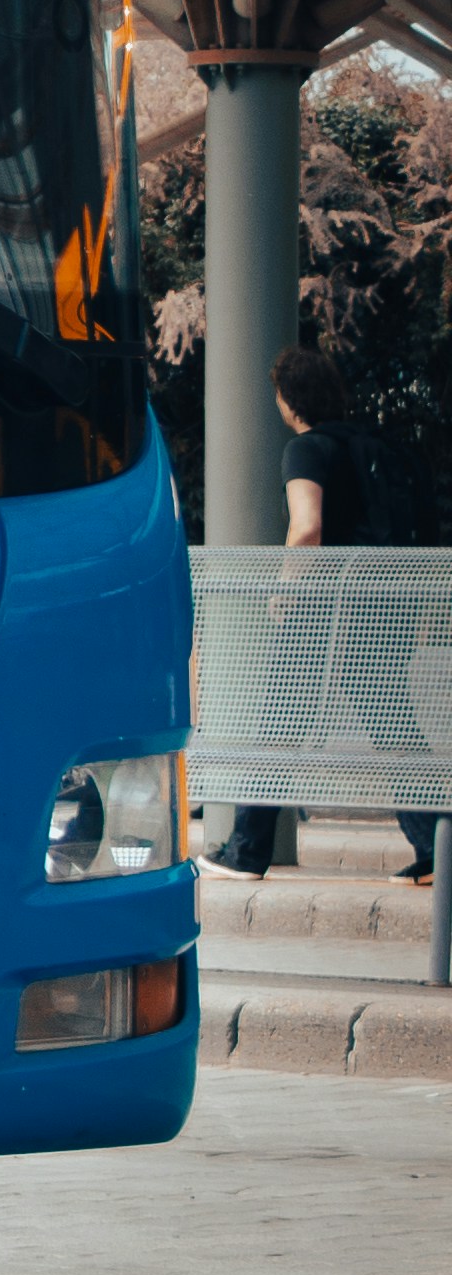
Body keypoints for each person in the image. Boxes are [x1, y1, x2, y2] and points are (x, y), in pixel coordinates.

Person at [213, 349, 434, 881]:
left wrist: (285, 591)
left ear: (290, 401)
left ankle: (246, 853)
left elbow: (306, 526)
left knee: (277, 727)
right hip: (383, 610)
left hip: (323, 615)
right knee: (397, 732)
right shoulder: (379, 448)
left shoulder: (307, 450)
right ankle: (438, 850)